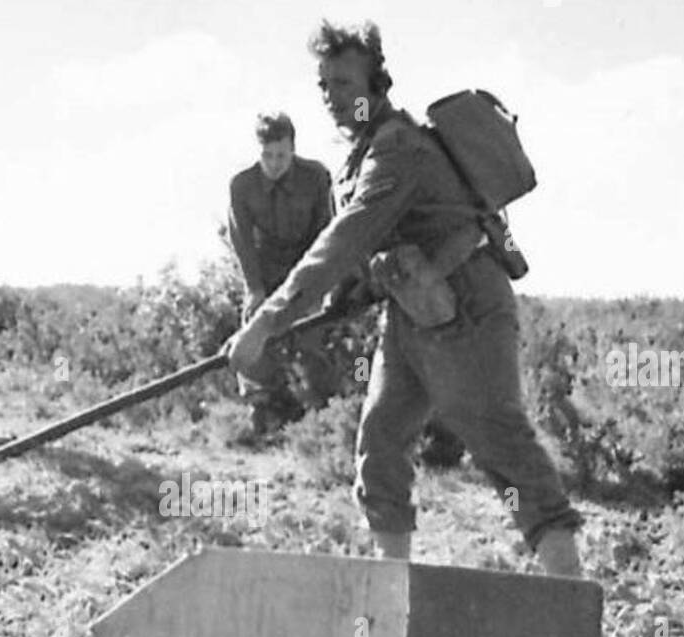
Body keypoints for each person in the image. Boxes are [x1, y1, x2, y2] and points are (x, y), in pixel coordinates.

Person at [225, 21, 583, 576]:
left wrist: (267, 322)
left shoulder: (399, 150)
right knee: (382, 441)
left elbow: (342, 242)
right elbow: (359, 260)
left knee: (501, 446)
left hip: (467, 309)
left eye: (344, 84)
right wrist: (323, 309)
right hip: (412, 312)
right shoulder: (363, 154)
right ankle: (391, 591)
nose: (332, 98)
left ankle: (568, 594)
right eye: (324, 85)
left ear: (377, 85)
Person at [227, 112, 336, 434]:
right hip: (265, 270)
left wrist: (321, 283)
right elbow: (242, 240)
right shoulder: (242, 185)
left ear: (293, 150)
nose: (274, 163)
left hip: (307, 266)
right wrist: (254, 289)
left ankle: (320, 417)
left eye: (281, 155)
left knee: (313, 337)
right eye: (267, 155)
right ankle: (262, 410)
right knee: (254, 335)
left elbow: (327, 230)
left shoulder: (316, 176)